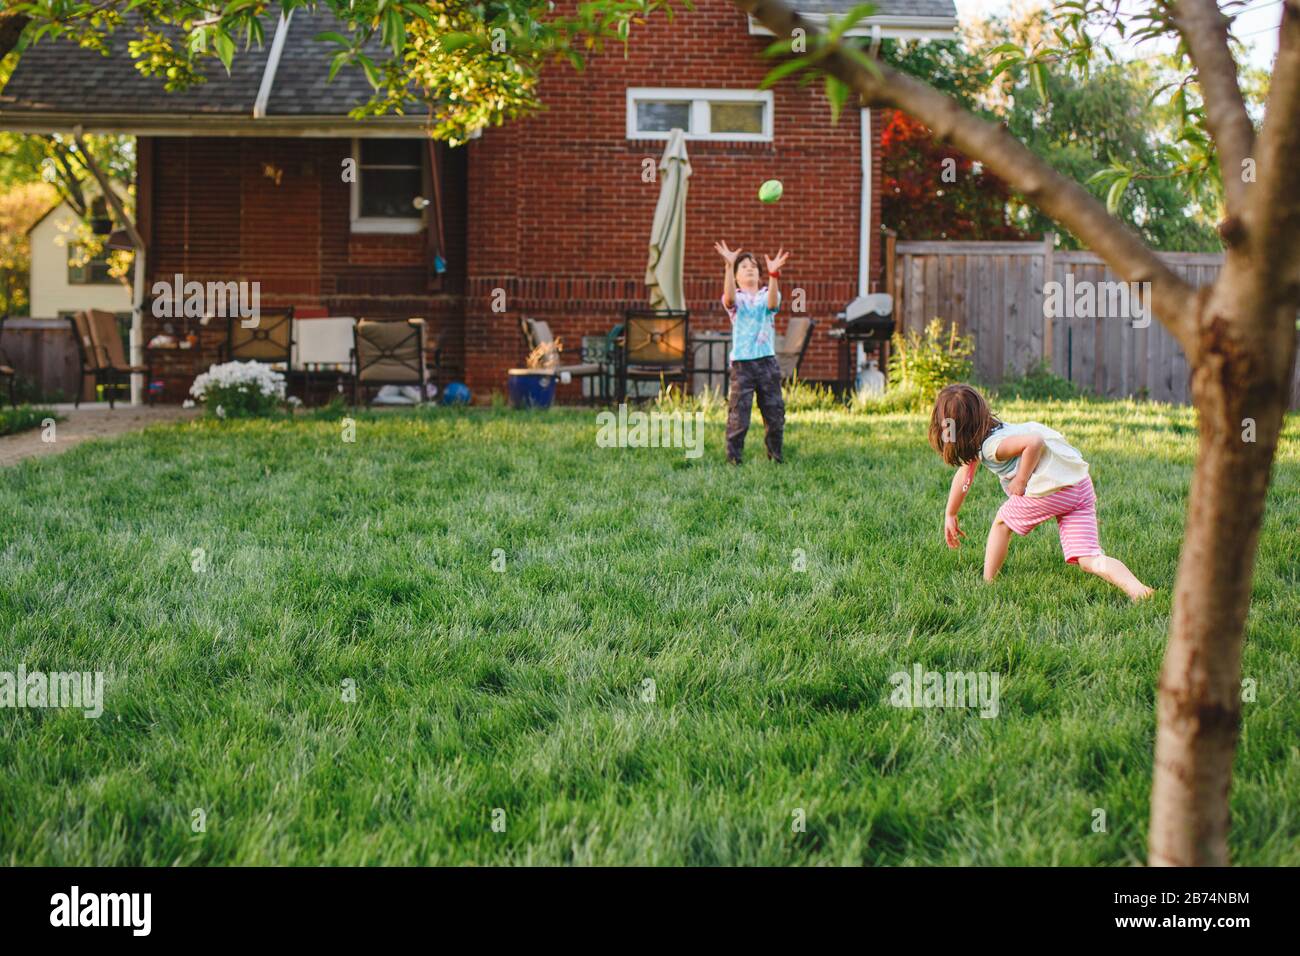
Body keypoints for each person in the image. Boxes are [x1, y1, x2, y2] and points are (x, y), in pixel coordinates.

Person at [929, 383, 1153, 600]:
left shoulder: (992, 447)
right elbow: (966, 472)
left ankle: (987, 584)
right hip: (1078, 486)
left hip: (1051, 490)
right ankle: (1138, 590)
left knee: (1002, 523)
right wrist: (951, 512)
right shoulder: (992, 433)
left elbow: (1033, 443)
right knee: (1089, 558)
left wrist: (1021, 480)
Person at [714, 240, 790, 465]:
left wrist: (774, 274)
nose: (749, 268)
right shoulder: (736, 298)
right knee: (739, 417)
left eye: (754, 266)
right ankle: (734, 459)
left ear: (760, 275)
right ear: (736, 276)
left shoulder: (766, 294)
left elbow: (774, 303)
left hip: (767, 363)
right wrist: (728, 266)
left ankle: (775, 456)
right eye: (743, 266)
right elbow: (727, 299)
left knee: (774, 414)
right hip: (742, 365)